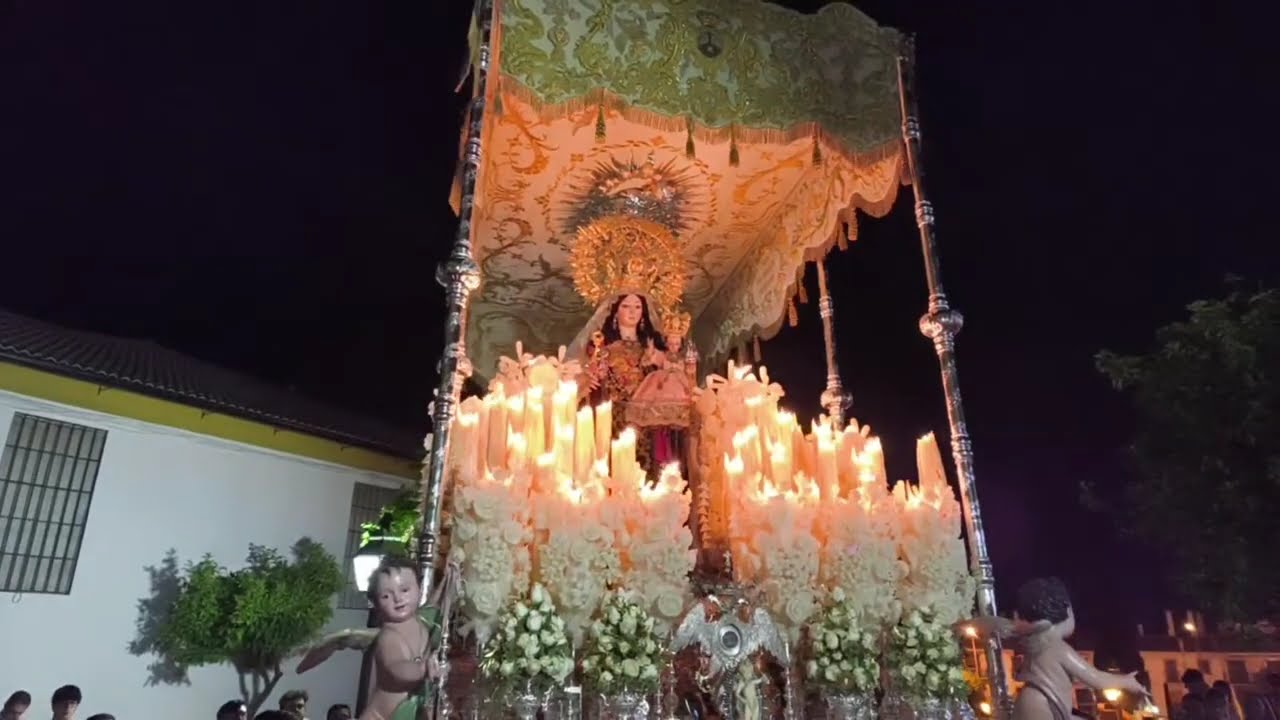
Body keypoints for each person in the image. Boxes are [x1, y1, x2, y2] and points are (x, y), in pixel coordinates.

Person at [982, 577, 1146, 720]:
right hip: (1042, 706)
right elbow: (1095, 678)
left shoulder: (1039, 645)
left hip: (1034, 703)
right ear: (1066, 611)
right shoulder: (1058, 648)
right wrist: (1126, 682)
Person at [582, 293, 667, 475]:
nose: (632, 312)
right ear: (615, 311)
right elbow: (591, 375)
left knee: (647, 465)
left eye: (637, 307)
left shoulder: (653, 344)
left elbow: (668, 374)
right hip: (613, 412)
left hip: (646, 412)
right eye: (626, 306)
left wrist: (658, 359)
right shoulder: (600, 344)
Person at [359, 555, 443, 720]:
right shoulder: (389, 637)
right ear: (375, 603)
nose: (398, 598)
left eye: (404, 590)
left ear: (419, 589)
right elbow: (396, 666)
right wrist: (422, 669)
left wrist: (450, 578)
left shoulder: (422, 621)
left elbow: (438, 603)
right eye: (386, 596)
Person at [625, 308, 696, 472]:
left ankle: (675, 460)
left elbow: (691, 375)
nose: (673, 346)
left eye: (677, 343)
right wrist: (650, 351)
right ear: (666, 342)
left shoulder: (684, 359)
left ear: (681, 344)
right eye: (670, 343)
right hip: (660, 389)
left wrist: (690, 370)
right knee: (660, 425)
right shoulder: (663, 356)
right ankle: (662, 457)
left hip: (680, 391)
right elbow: (649, 359)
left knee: (678, 427)